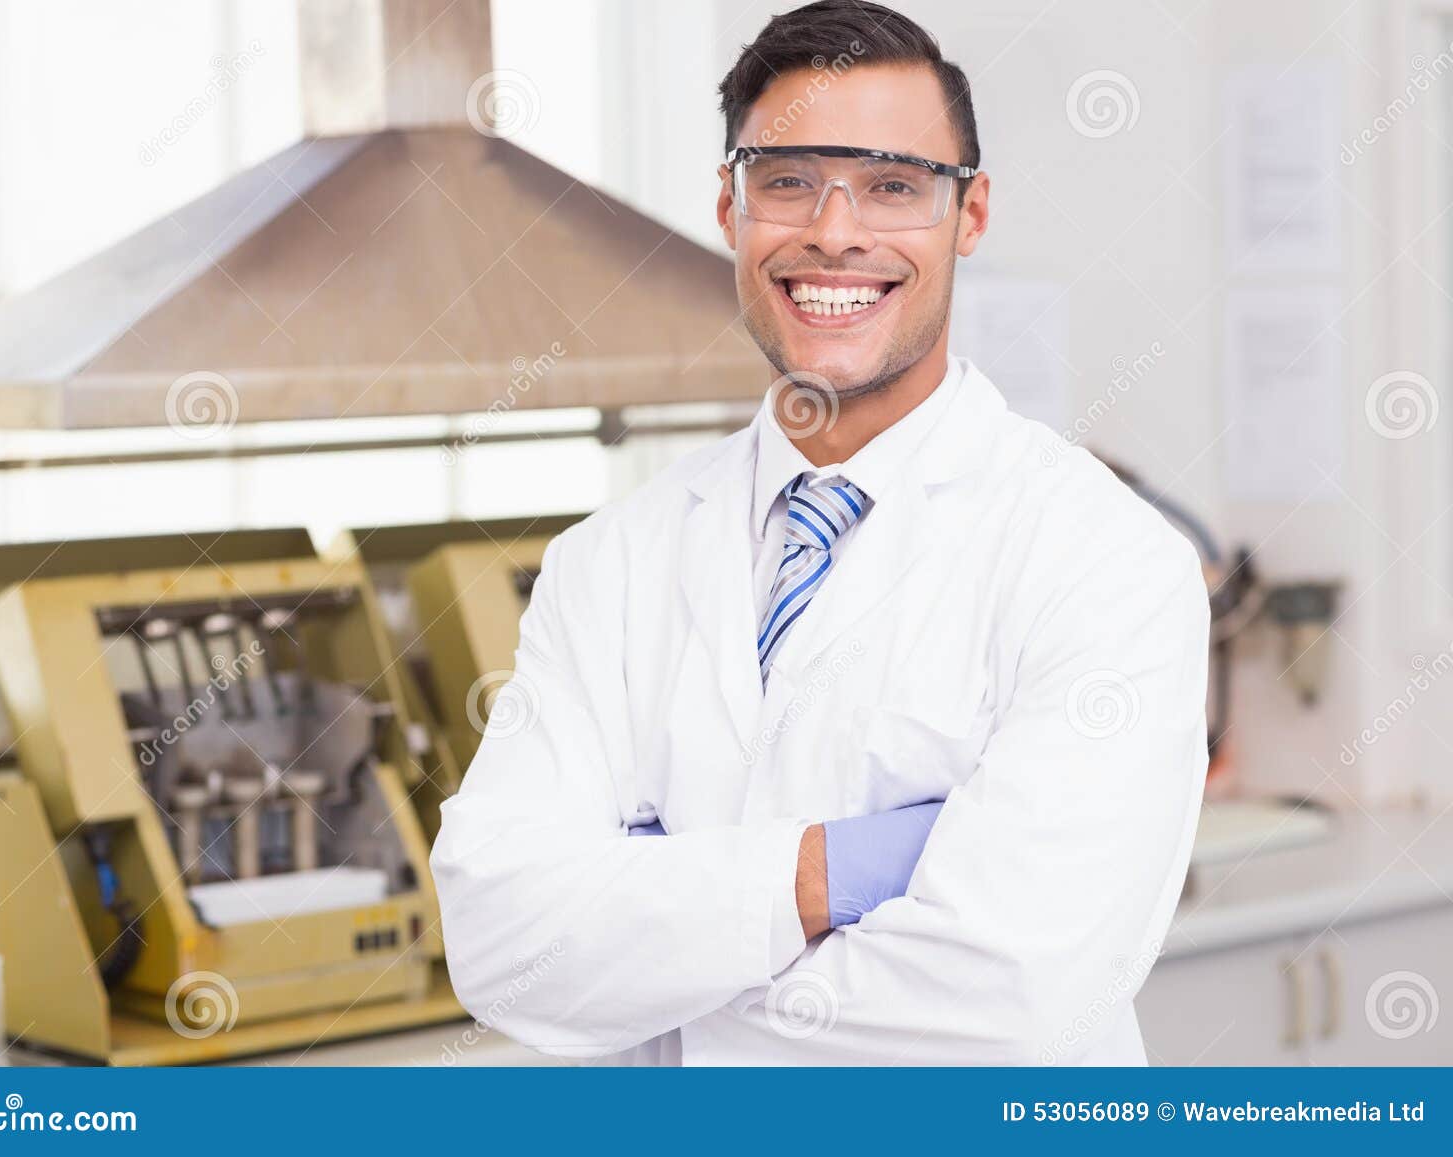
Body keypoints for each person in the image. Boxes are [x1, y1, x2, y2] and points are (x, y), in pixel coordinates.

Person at [429, 0, 1208, 1065]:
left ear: (968, 214)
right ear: (728, 204)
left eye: (892, 185)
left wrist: (656, 947)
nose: (834, 232)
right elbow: (501, 945)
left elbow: (1014, 1000)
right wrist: (834, 872)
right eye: (787, 179)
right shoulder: (606, 563)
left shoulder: (1105, 562)